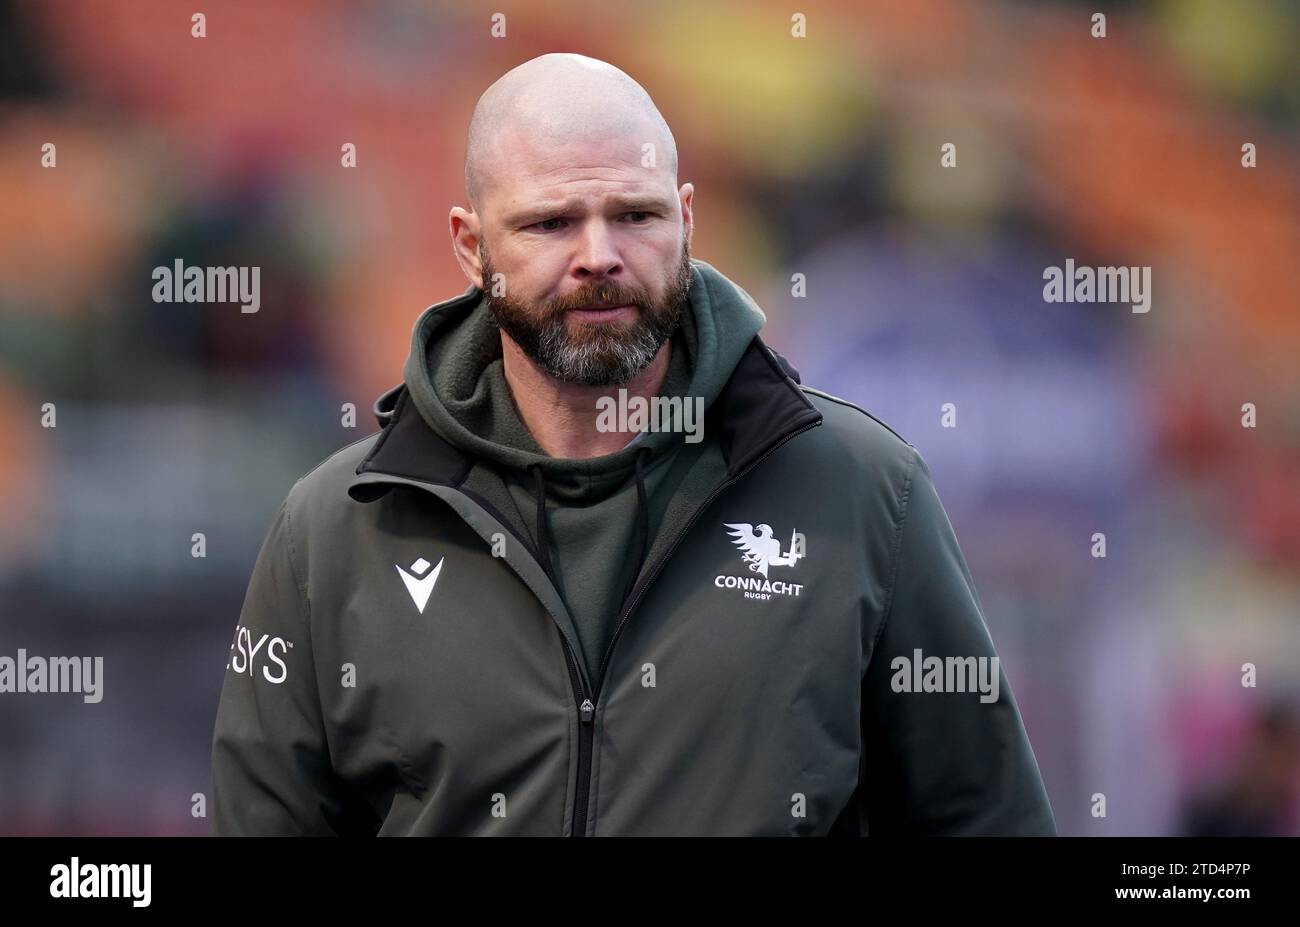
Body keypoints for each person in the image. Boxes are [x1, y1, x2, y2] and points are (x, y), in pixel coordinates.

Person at [210, 53, 1056, 836]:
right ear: (472, 249)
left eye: (635, 214)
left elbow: (987, 821)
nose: (599, 256)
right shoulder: (335, 529)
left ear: (686, 220)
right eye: (550, 223)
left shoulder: (864, 490)